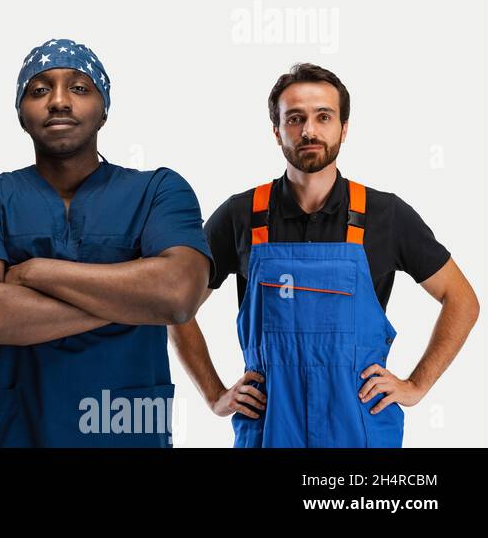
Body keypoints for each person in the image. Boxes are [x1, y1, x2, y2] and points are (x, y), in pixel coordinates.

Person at [170, 62, 479, 447]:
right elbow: (174, 306)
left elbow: (462, 299)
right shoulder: (241, 215)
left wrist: (417, 385)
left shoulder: (385, 214)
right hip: (269, 428)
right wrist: (215, 395)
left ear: (343, 129)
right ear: (276, 131)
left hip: (360, 428)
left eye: (323, 117)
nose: (309, 130)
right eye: (295, 118)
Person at [0, 38, 212, 447]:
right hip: (17, 430)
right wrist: (137, 301)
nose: (59, 101)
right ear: (21, 113)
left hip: (126, 428)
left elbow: (179, 294)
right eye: (39, 90)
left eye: (79, 88)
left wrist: (35, 272)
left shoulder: (159, 190)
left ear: (104, 108)